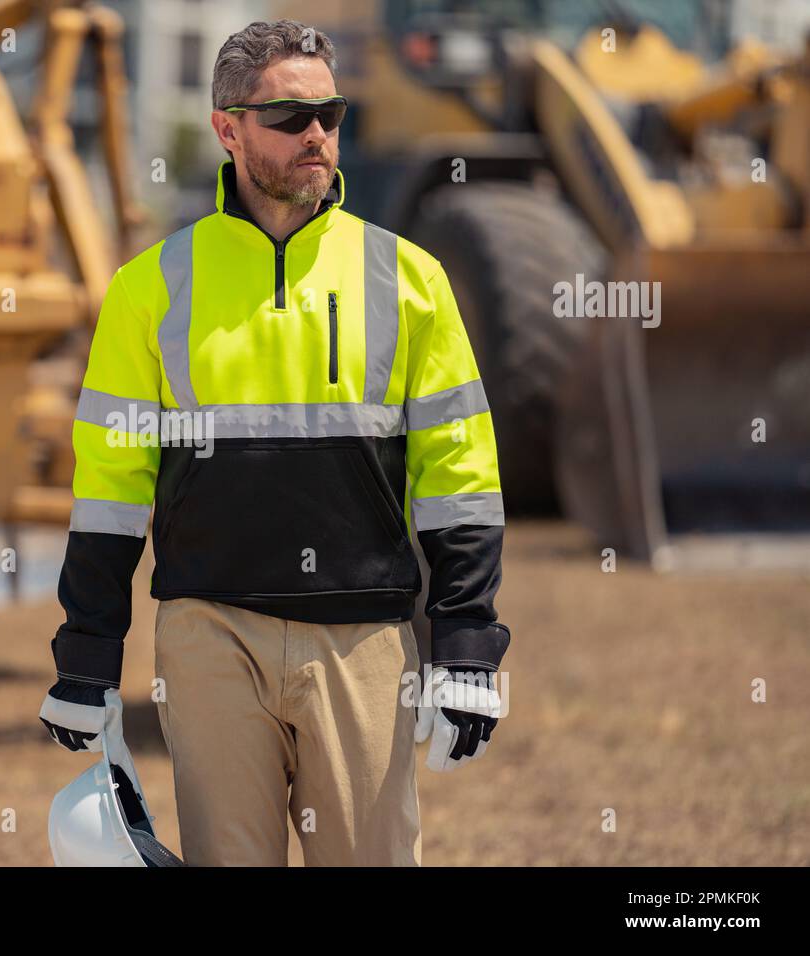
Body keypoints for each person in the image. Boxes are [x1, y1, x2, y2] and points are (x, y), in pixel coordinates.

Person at [39, 18, 511, 866]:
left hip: (365, 642)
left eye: (330, 114)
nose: (318, 135)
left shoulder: (411, 280)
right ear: (228, 128)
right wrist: (87, 660)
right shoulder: (148, 289)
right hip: (208, 634)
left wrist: (467, 644)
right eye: (291, 117)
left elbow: (460, 473)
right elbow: (111, 485)